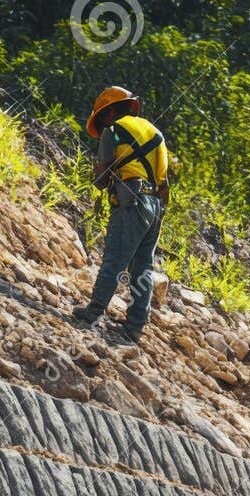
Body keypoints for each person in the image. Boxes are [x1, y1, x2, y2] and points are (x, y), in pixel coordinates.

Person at [70, 86, 171, 343]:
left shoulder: (113, 131)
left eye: (103, 116)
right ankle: (135, 326)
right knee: (143, 266)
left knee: (114, 259)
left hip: (131, 202)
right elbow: (164, 182)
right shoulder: (156, 133)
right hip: (155, 205)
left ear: (112, 111)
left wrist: (104, 176)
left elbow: (101, 179)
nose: (103, 122)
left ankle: (93, 312)